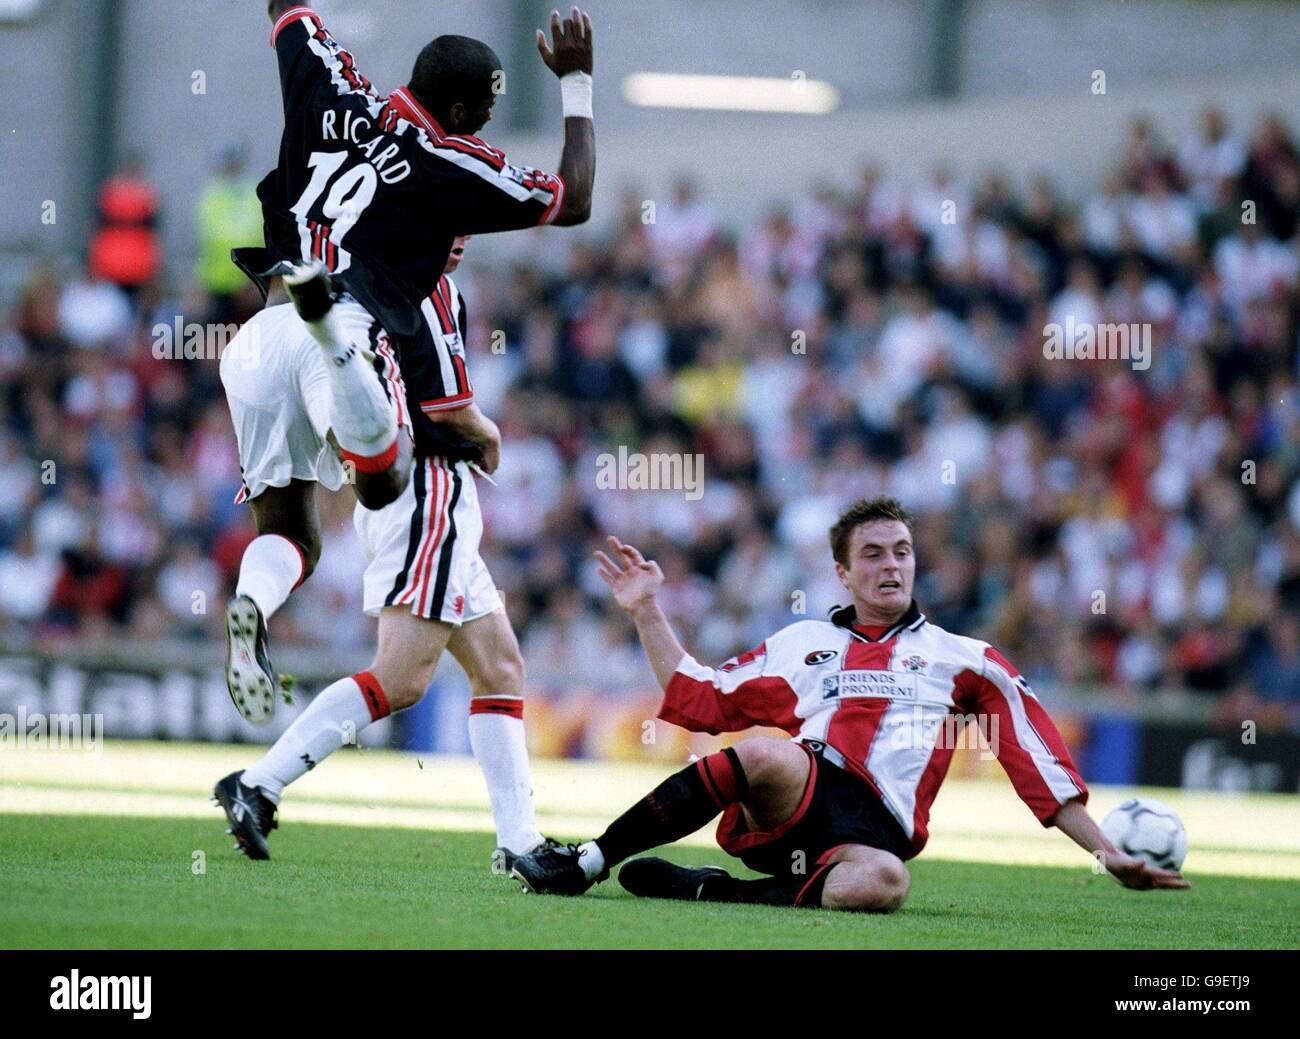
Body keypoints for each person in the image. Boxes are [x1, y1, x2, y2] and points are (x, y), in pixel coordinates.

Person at [511, 497, 1189, 910]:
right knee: (763, 753)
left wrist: (1107, 852)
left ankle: (717, 891)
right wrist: (648, 610)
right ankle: (587, 860)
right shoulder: (806, 642)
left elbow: (1035, 767)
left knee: (886, 886)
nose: (890, 564)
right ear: (842, 572)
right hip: (804, 790)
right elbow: (697, 698)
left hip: (874, 834)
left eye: (902, 551)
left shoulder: (967, 660)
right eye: (872, 554)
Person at [216, 1, 595, 729]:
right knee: (384, 480)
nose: (488, 116)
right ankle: (331, 327)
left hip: (260, 337)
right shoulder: (450, 161)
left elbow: (286, 8)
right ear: (458, 105)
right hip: (341, 331)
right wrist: (575, 81)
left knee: (294, 532)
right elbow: (572, 199)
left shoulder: (334, 82)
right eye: (487, 103)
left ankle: (252, 603)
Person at [219, 238, 551, 870]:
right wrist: (489, 430)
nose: (457, 239)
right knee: (401, 678)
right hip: (427, 488)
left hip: (269, 356)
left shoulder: (358, 226)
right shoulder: (425, 282)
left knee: (500, 668)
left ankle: (520, 842)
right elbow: (452, 410)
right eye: (448, 224)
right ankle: (258, 785)